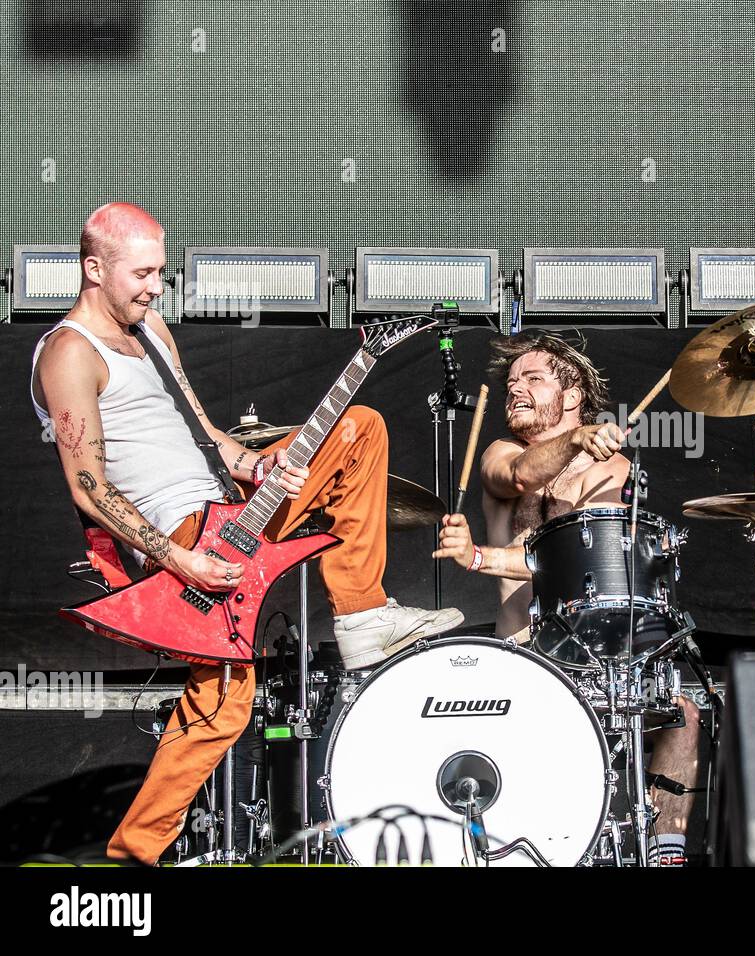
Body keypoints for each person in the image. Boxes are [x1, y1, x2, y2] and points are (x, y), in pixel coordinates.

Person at [31, 202, 463, 864]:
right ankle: (131, 858)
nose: (154, 287)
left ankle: (361, 613)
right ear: (94, 268)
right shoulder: (68, 352)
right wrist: (180, 560)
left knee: (359, 430)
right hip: (176, 540)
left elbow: (203, 432)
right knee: (227, 706)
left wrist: (256, 464)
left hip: (230, 505)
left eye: (161, 273)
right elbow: (88, 487)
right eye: (142, 274)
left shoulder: (149, 329)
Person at [433, 330, 700, 865]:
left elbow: (588, 562)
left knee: (683, 712)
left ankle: (665, 849)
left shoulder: (612, 469)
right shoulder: (501, 452)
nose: (516, 390)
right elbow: (519, 475)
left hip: (590, 658)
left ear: (573, 396)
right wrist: (576, 441)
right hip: (522, 657)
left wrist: (481, 556)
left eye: (533, 379)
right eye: (511, 383)